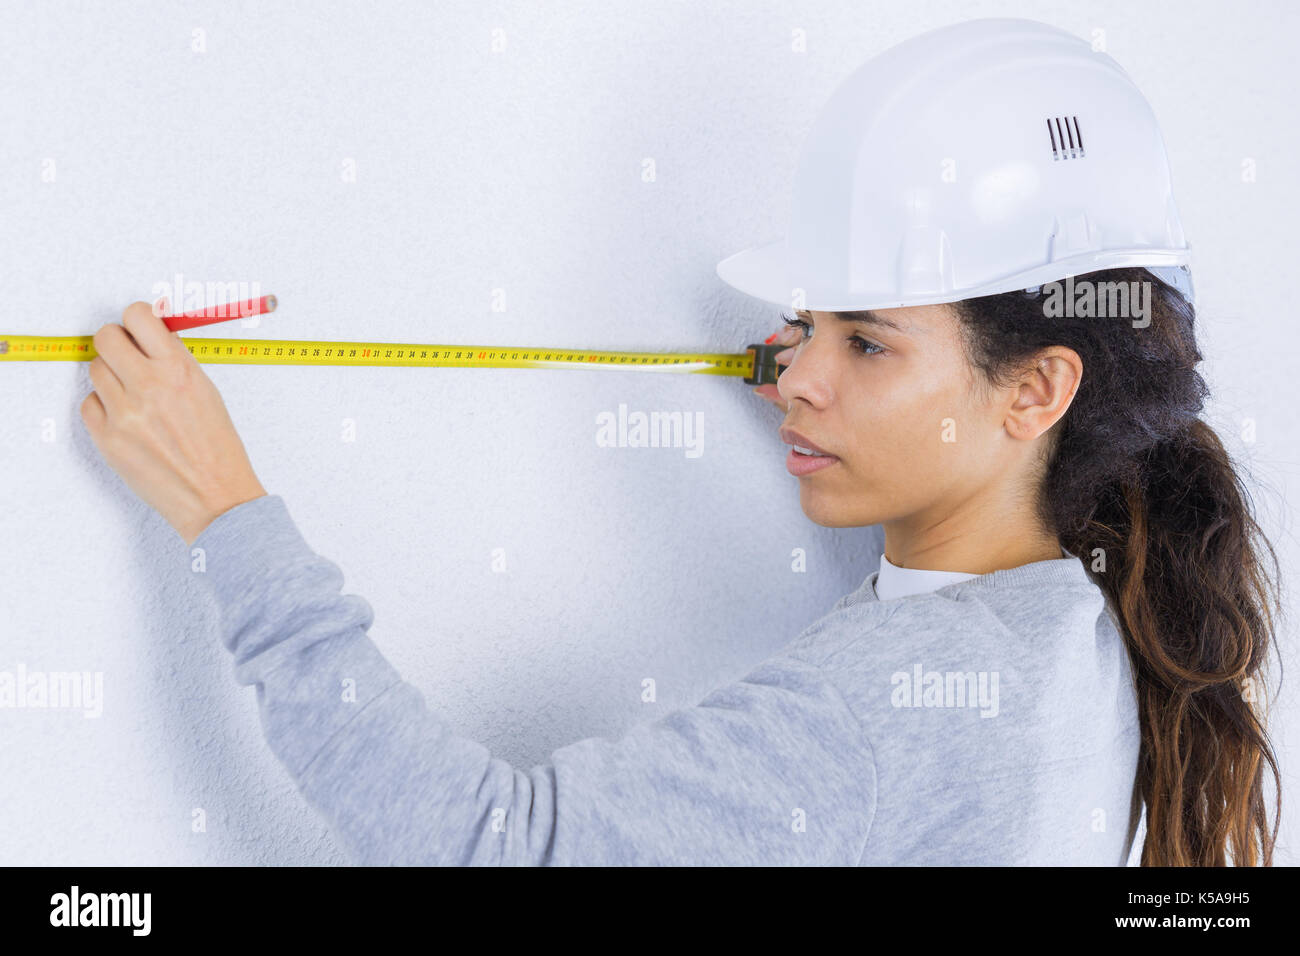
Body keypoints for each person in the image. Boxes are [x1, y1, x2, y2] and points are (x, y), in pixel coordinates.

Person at [80, 18, 1282, 865]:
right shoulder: (1079, 620)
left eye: (866, 342)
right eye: (804, 326)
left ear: (1036, 391)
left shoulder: (893, 711)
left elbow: (490, 846)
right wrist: (852, 380)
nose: (798, 374)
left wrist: (224, 510)